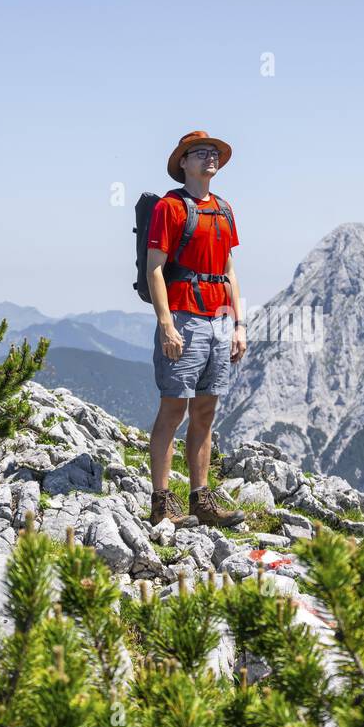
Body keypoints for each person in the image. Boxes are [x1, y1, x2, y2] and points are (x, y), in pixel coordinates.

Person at [144, 130, 248, 527]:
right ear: (182, 163)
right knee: (173, 409)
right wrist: (166, 323)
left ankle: (200, 500)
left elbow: (229, 271)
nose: (210, 158)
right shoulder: (169, 208)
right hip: (184, 319)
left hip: (219, 319)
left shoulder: (223, 209)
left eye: (214, 153)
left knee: (205, 409)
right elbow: (155, 267)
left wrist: (238, 325)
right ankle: (160, 503)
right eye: (200, 153)